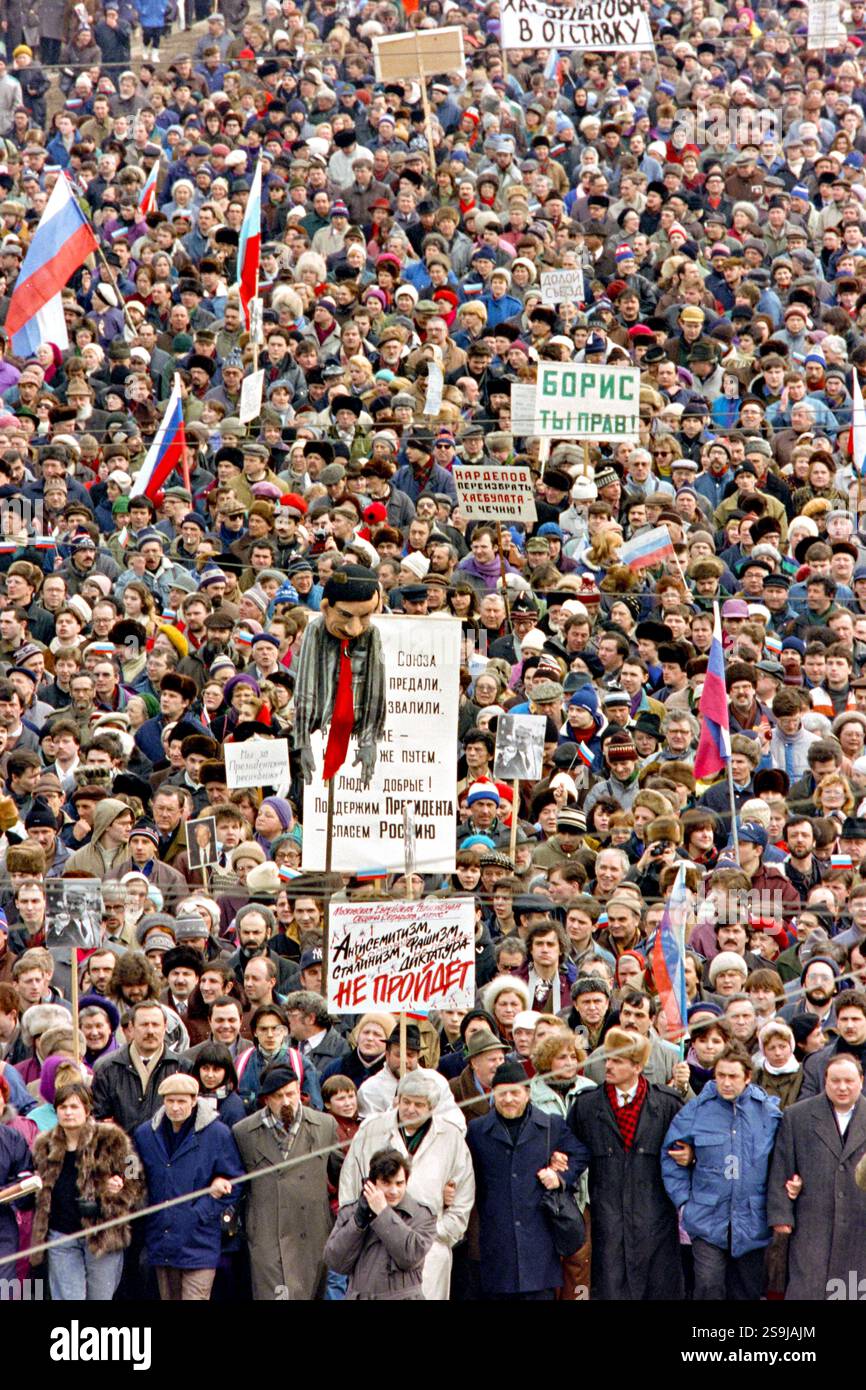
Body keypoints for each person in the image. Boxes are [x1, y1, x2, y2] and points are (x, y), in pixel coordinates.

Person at [568, 1028, 685, 1300]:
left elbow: (689, 1152)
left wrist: (689, 1156)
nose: (608, 1066)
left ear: (637, 1067)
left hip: (655, 1224)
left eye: (617, 1060)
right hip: (606, 1224)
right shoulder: (586, 1107)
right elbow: (571, 1153)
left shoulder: (667, 1104)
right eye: (608, 1059)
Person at [339, 1071, 475, 1300]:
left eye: (419, 1104)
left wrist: (438, 1234)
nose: (411, 1109)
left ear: (432, 1107)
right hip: (374, 1246)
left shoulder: (451, 1137)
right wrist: (355, 1228)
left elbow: (464, 1196)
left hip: (428, 1250)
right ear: (397, 1100)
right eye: (406, 1102)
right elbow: (349, 1184)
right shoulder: (372, 1129)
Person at [661, 1044, 781, 1300]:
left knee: (746, 1291)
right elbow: (670, 1156)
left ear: (747, 1077)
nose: (725, 1083)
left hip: (752, 1221)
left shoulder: (768, 1114)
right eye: (720, 1075)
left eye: (733, 1077)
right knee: (708, 1286)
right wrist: (683, 1202)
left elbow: (782, 1162)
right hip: (706, 1218)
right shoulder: (697, 1110)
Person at [466, 1059, 580, 1300]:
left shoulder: (550, 1125)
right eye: (502, 1093)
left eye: (515, 1093)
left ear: (527, 1093)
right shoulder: (476, 1131)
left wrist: (560, 1177)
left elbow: (580, 1154)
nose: (508, 1099)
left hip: (539, 1245)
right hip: (497, 1245)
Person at [133, 1072, 244, 1302]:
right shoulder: (145, 1134)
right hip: (161, 1239)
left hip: (200, 1241)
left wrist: (201, 1212)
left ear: (194, 1101)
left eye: (182, 1101)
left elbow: (236, 1182)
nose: (175, 1107)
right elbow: (131, 1171)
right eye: (170, 1101)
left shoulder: (217, 1134)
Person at [232, 1062, 338, 1301]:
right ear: (266, 1099)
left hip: (311, 1232)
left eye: (290, 1093)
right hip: (267, 1233)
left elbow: (342, 1172)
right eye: (278, 1096)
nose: (286, 1101)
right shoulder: (244, 1132)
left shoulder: (325, 1125)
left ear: (299, 1091)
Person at [31, 1081, 142, 1300]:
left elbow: (134, 1175)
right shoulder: (44, 1144)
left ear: (87, 1109)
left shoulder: (113, 1138)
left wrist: (119, 1185)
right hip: (61, 1235)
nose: (68, 1113)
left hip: (102, 1234)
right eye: (63, 1107)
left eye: (74, 1107)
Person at [768, 1054, 866, 1300]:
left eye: (849, 1081)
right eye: (835, 1081)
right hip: (812, 1227)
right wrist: (782, 1218)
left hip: (859, 1228)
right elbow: (781, 1168)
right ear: (825, 1081)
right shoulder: (797, 1116)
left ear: (861, 1081)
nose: (842, 1087)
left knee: (853, 1293)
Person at [324, 1148, 437, 1301]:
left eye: (399, 1183)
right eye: (386, 1183)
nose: (394, 1190)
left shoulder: (421, 1215)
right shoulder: (352, 1212)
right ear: (371, 1183)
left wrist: (383, 1212)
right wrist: (358, 1222)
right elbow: (335, 1261)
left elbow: (410, 1256)